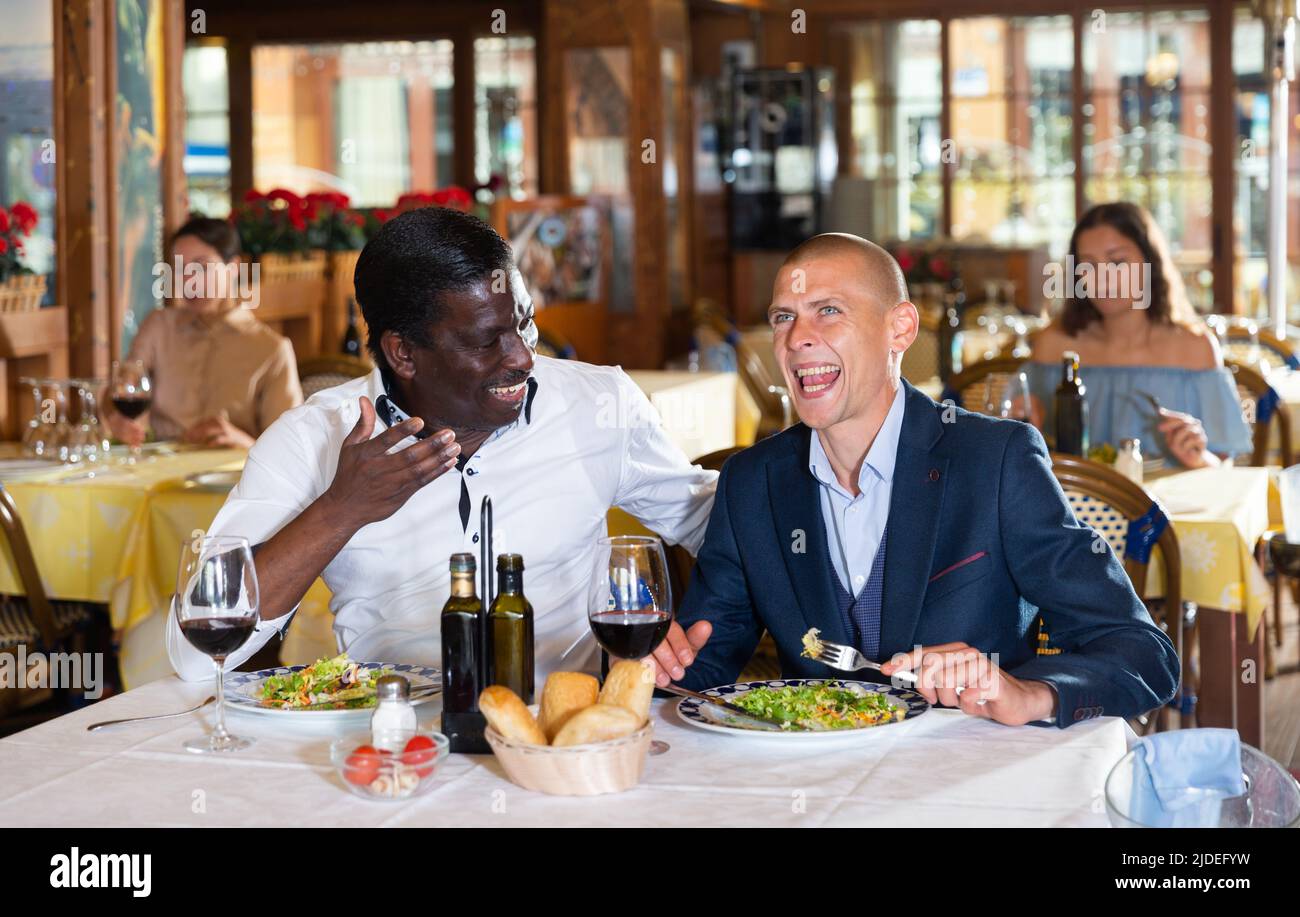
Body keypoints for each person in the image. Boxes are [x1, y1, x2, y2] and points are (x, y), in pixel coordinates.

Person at [646, 233, 1179, 727]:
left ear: (899, 328)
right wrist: (655, 662)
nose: (797, 339)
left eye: (828, 311)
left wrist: (1027, 693)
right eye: (784, 317)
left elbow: (1141, 650)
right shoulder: (750, 482)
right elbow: (699, 666)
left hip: (972, 786)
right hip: (814, 793)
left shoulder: (995, 462)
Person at [166, 207, 717, 683]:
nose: (523, 357)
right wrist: (342, 509)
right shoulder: (311, 440)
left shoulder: (598, 403)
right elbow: (193, 655)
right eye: (485, 341)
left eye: (523, 326)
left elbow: (715, 522)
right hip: (393, 743)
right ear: (402, 354)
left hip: (560, 739)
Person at [1026, 202, 1252, 468]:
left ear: (1151, 263)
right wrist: (1023, 431)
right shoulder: (1054, 347)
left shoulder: (1196, 348)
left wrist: (1198, 457)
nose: (1101, 278)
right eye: (1088, 265)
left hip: (1173, 509)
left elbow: (1224, 472)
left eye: (1117, 261)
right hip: (1075, 507)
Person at [104, 217, 303, 449]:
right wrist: (116, 418)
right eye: (180, 270)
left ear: (233, 268)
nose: (189, 281)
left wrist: (244, 442)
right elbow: (121, 386)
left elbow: (290, 449)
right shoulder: (159, 326)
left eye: (201, 267)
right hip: (161, 472)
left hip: (236, 478)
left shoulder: (272, 349)